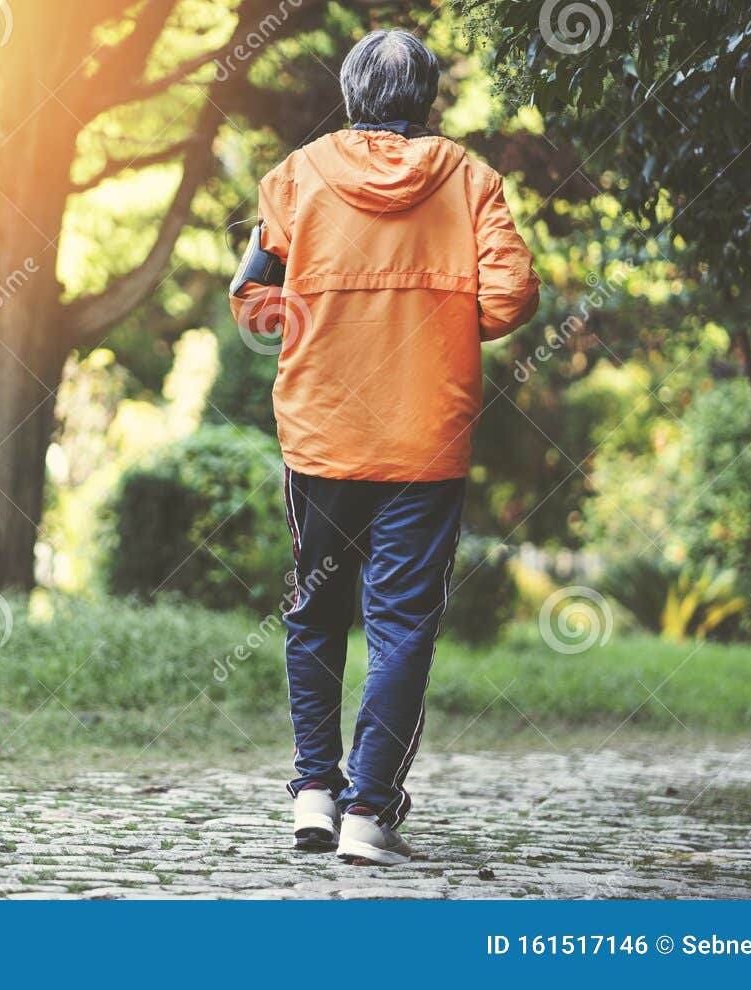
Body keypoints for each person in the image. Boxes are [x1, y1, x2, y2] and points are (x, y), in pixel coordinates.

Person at [229, 28, 539, 865]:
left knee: (315, 615)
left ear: (352, 93)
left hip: (321, 434)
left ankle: (313, 797)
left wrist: (318, 328)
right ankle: (369, 815)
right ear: (428, 99)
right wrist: (435, 330)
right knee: (401, 627)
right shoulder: (470, 180)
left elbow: (251, 294)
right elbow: (512, 297)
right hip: (423, 441)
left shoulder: (298, 177)